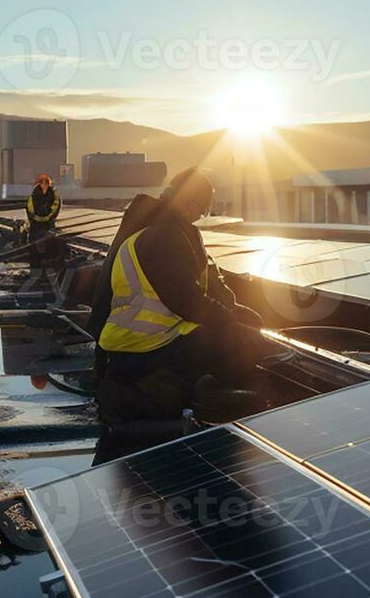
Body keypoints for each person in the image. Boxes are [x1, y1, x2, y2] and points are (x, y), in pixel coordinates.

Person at [86, 169, 276, 455]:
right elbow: (189, 302)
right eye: (201, 207)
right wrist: (237, 329)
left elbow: (210, 283)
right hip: (142, 347)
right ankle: (248, 415)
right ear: (189, 201)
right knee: (238, 347)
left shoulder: (169, 229)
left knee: (243, 328)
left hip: (148, 341)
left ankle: (211, 396)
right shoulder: (161, 236)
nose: (201, 214)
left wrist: (240, 314)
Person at [26, 174, 61, 242]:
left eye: (46, 183)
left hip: (48, 222)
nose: (44, 185)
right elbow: (30, 207)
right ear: (40, 183)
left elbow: (56, 206)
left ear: (49, 184)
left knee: (50, 241)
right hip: (36, 223)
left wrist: (50, 217)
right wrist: (33, 217)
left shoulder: (53, 193)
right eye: (42, 183)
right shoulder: (34, 193)